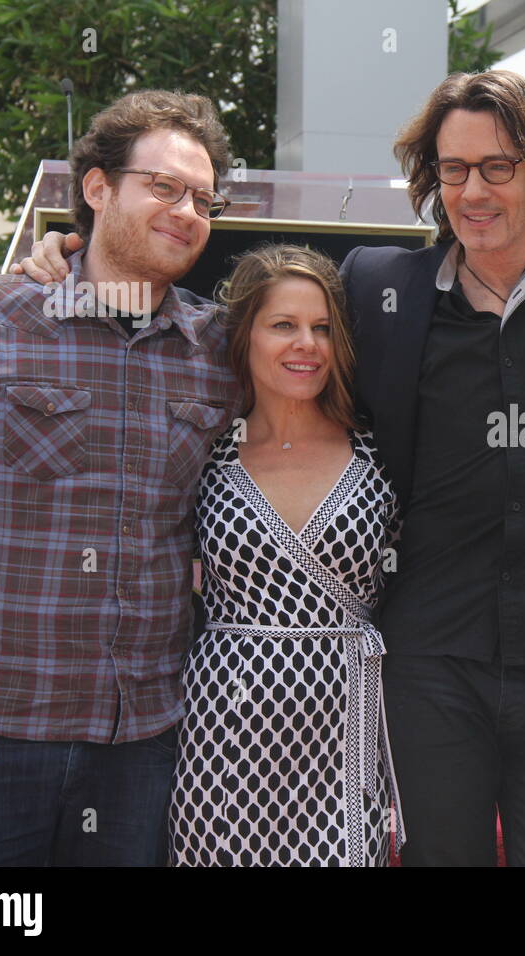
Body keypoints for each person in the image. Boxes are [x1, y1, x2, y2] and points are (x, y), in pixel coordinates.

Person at [18, 69, 525, 867]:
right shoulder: (379, 287)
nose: (474, 190)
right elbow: (263, 340)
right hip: (429, 669)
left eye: (499, 167)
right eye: (454, 169)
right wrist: (77, 259)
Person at [0, 90, 240, 865]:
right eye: (164, 186)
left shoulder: (218, 350)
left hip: (146, 744)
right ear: (97, 188)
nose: (187, 210)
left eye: (203, 198)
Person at [170, 243, 401, 866]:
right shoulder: (204, 450)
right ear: (244, 335)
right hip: (224, 726)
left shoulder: (381, 452)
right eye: (284, 325)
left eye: (322, 328)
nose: (307, 344)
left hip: (342, 726)